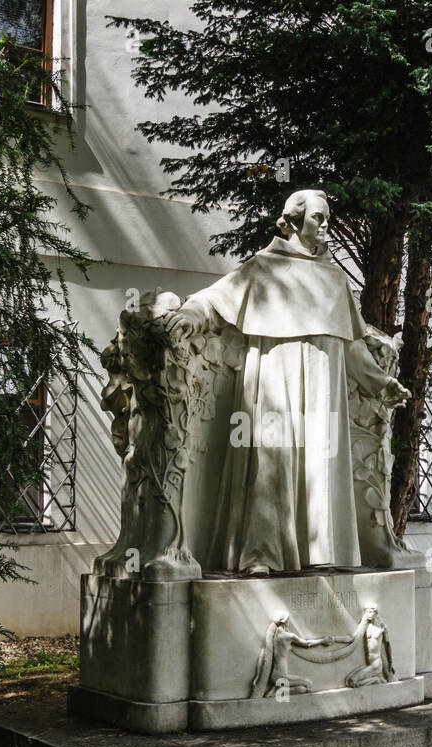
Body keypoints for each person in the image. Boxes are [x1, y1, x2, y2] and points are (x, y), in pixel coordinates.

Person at [168, 189, 408, 574]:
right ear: (293, 221)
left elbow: (352, 345)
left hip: (322, 389)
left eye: (328, 217)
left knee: (319, 466)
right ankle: (261, 555)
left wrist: (380, 383)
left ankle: (320, 552)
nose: (326, 224)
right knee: (271, 464)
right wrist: (192, 315)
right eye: (317, 217)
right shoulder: (263, 268)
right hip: (275, 378)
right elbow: (214, 300)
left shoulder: (334, 279)